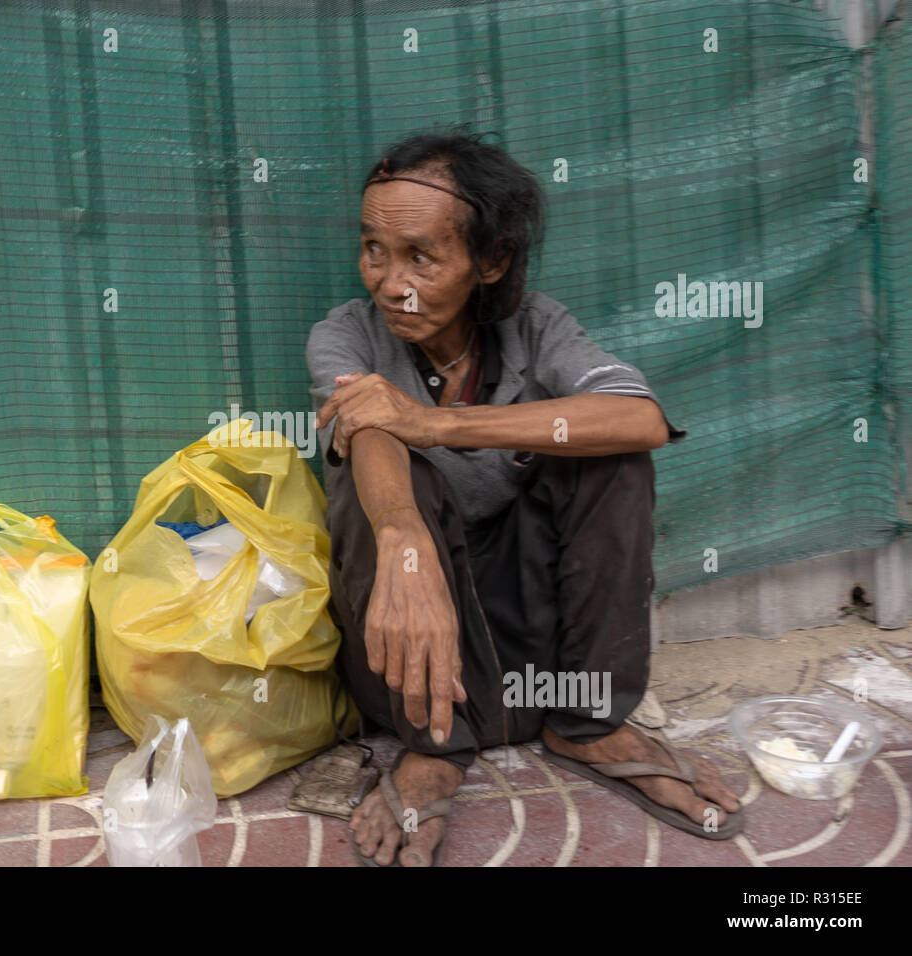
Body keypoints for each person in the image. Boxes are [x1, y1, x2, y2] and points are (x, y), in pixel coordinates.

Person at [306, 130, 743, 867]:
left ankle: (590, 720)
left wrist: (436, 422)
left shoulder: (537, 327)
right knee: (370, 462)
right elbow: (371, 434)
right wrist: (406, 542)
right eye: (373, 248)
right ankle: (433, 745)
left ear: (492, 260)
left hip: (530, 624)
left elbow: (642, 418)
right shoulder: (346, 336)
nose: (389, 282)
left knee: (610, 456)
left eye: (421, 255)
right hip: (413, 625)